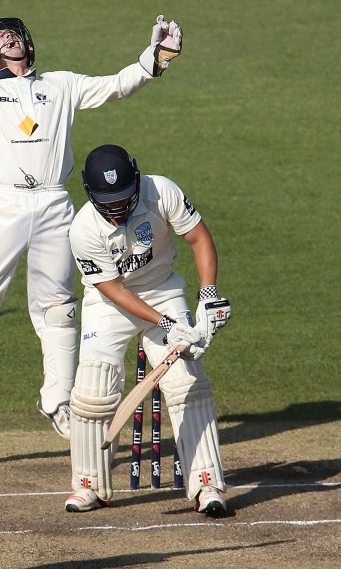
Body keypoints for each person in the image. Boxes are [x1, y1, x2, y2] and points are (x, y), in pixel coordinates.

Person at [0, 5, 184, 433]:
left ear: (29, 44)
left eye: (13, 34)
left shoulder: (60, 85)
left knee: (58, 308)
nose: (8, 39)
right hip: (4, 203)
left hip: (56, 203)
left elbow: (115, 86)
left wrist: (156, 59)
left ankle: (57, 401)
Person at [64, 143, 231, 516]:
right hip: (110, 303)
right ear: (91, 194)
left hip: (164, 288)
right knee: (93, 390)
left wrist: (207, 298)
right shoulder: (82, 229)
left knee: (187, 383)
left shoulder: (161, 191)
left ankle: (206, 482)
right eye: (109, 201)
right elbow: (113, 289)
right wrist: (166, 324)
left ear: (136, 180)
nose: (118, 207)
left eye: (124, 197)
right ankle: (89, 485)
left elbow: (199, 238)